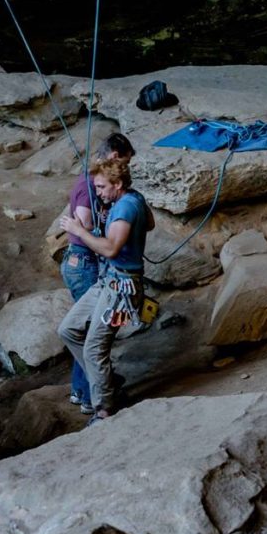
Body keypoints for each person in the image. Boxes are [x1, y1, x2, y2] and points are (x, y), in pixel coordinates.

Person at [57, 157, 153, 419]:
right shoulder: (131, 200)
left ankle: (104, 410)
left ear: (118, 184)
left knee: (93, 347)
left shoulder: (126, 208)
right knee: (68, 330)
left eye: (101, 187)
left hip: (122, 288)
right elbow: (151, 224)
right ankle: (106, 384)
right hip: (107, 281)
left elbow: (110, 248)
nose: (97, 193)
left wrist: (80, 230)